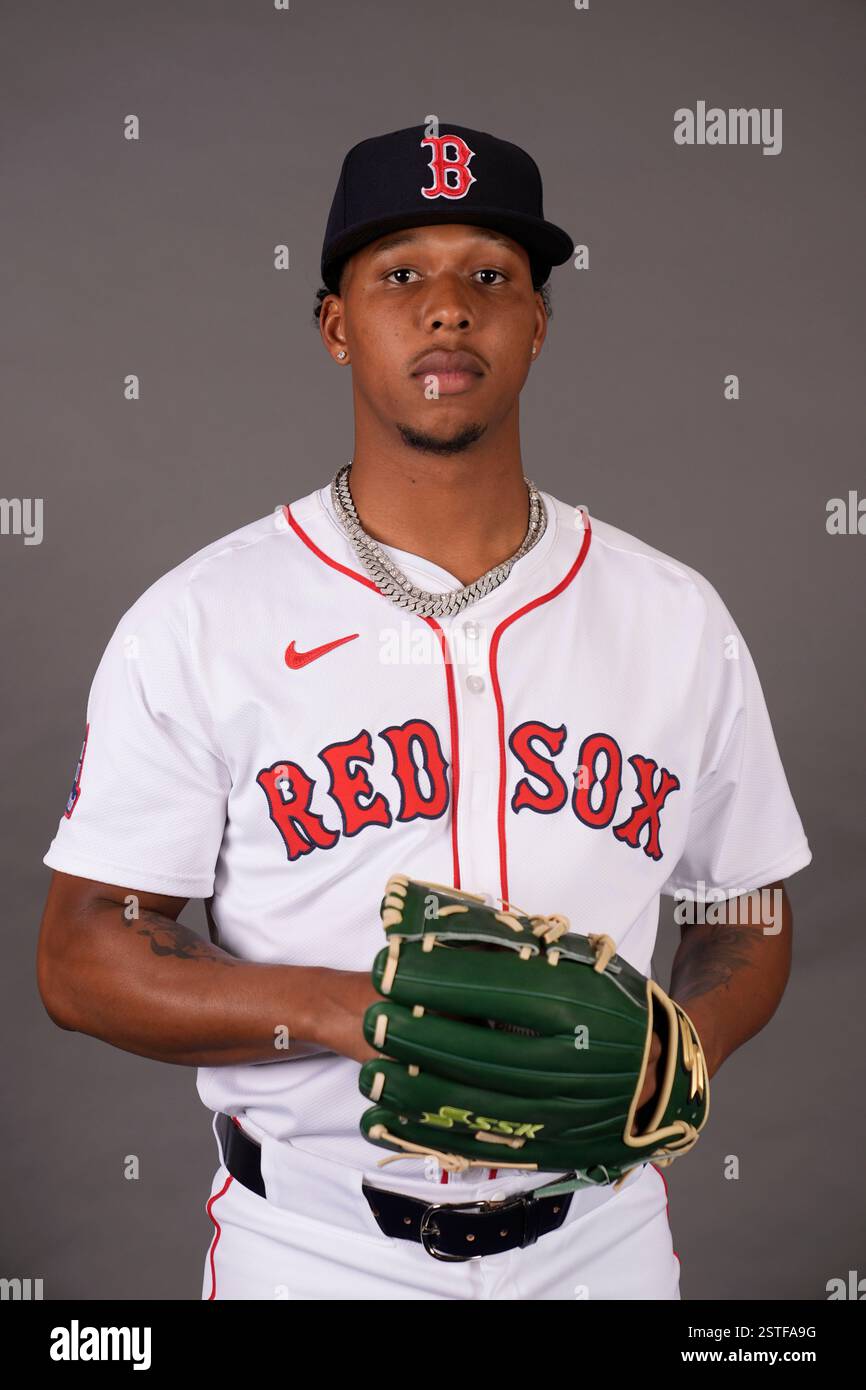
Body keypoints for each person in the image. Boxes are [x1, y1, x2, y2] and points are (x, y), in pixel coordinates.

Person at [37, 122, 811, 1300]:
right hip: (315, 1250)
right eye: (400, 275)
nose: (447, 308)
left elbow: (743, 903)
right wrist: (358, 1013)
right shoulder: (201, 618)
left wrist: (678, 1049)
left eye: (488, 277)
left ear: (536, 324)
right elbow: (83, 951)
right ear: (335, 326)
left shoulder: (672, 614)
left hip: (598, 1240)